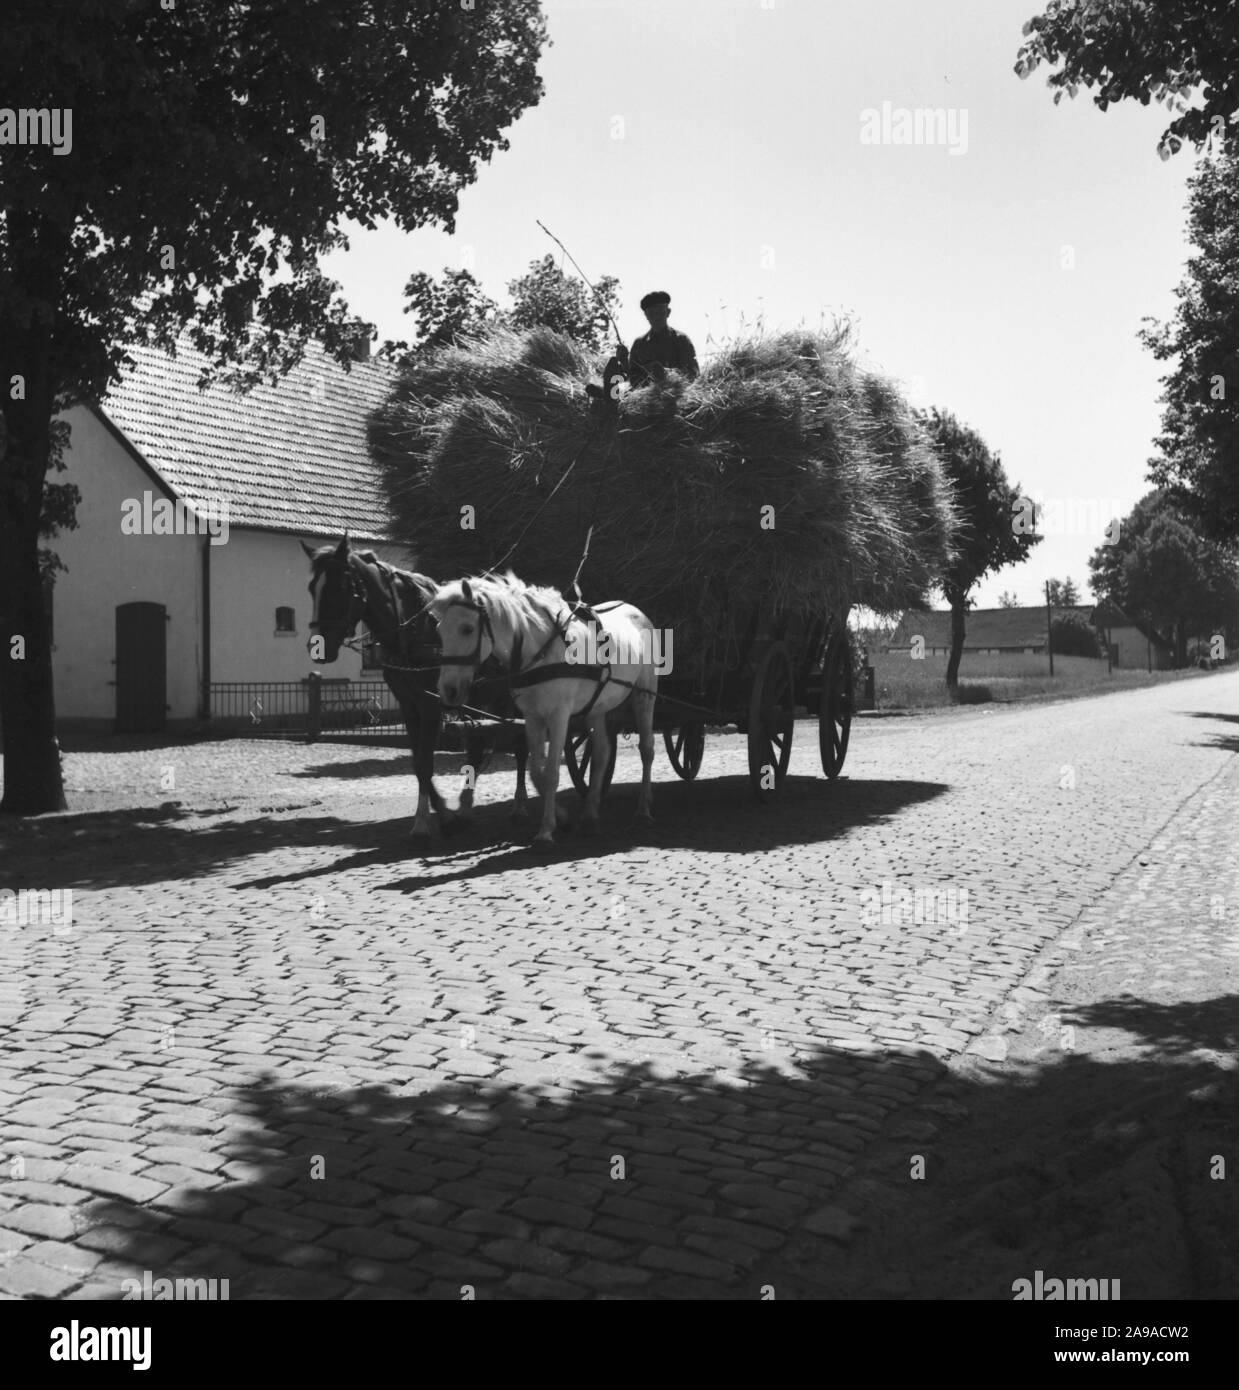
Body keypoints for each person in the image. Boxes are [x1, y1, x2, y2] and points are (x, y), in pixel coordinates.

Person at [628, 290, 698, 387]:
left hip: (677, 396)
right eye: (651, 312)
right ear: (646, 316)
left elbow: (693, 374)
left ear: (668, 312)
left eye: (660, 311)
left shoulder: (681, 339)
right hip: (646, 398)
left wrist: (667, 374)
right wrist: (623, 362)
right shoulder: (639, 344)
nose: (656, 316)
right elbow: (633, 378)